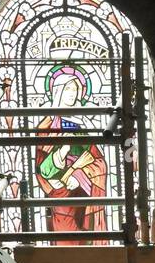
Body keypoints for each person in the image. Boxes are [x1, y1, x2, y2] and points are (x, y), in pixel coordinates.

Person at [34, 65, 108, 245]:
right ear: (57, 91)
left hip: (83, 191)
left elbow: (99, 162)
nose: (72, 93)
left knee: (85, 240)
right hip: (60, 193)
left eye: (75, 89)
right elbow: (41, 168)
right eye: (68, 88)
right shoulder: (46, 125)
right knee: (65, 239)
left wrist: (79, 174)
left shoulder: (82, 125)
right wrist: (61, 153)